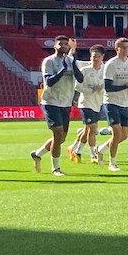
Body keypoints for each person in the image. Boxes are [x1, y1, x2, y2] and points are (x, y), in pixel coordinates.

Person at [30, 36, 83, 177]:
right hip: (51, 101)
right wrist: (63, 70)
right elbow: (49, 82)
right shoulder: (49, 61)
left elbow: (81, 78)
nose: (64, 46)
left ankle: (37, 154)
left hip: (66, 103)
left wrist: (74, 61)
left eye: (66, 44)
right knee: (58, 134)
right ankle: (56, 168)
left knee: (61, 138)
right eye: (61, 44)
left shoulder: (71, 61)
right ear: (55, 46)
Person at [96, 38, 128, 172]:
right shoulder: (111, 64)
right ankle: (112, 163)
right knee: (117, 133)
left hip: (125, 102)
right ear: (116, 49)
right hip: (111, 102)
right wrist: (126, 85)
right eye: (123, 47)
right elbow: (108, 87)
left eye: (127, 47)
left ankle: (100, 149)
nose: (126, 50)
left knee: (124, 136)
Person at [68, 45, 107, 166]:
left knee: (87, 130)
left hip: (98, 103)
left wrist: (102, 88)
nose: (95, 59)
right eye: (93, 57)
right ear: (90, 57)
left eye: (98, 57)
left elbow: (108, 84)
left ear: (102, 57)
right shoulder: (85, 70)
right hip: (85, 103)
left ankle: (76, 150)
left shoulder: (105, 70)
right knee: (93, 129)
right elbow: (77, 86)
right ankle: (93, 154)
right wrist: (91, 90)